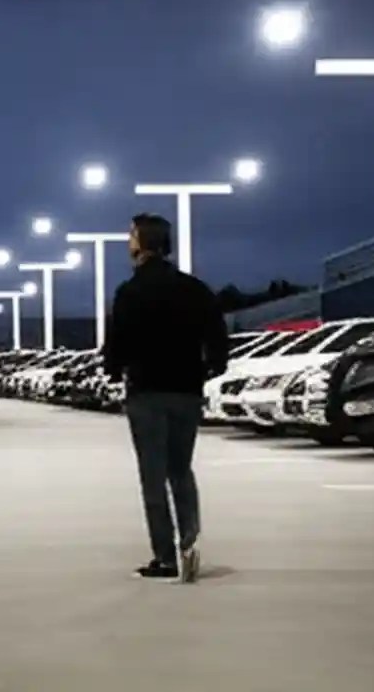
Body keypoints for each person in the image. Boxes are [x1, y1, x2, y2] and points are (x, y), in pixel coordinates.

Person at [103, 213, 229, 583]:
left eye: (131, 234)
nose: (128, 240)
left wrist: (113, 370)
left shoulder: (131, 291)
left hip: (147, 393)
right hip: (186, 391)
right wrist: (211, 368)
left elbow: (118, 342)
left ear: (143, 242)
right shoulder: (195, 289)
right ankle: (189, 543)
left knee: (153, 476)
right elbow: (217, 336)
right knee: (181, 470)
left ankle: (165, 557)